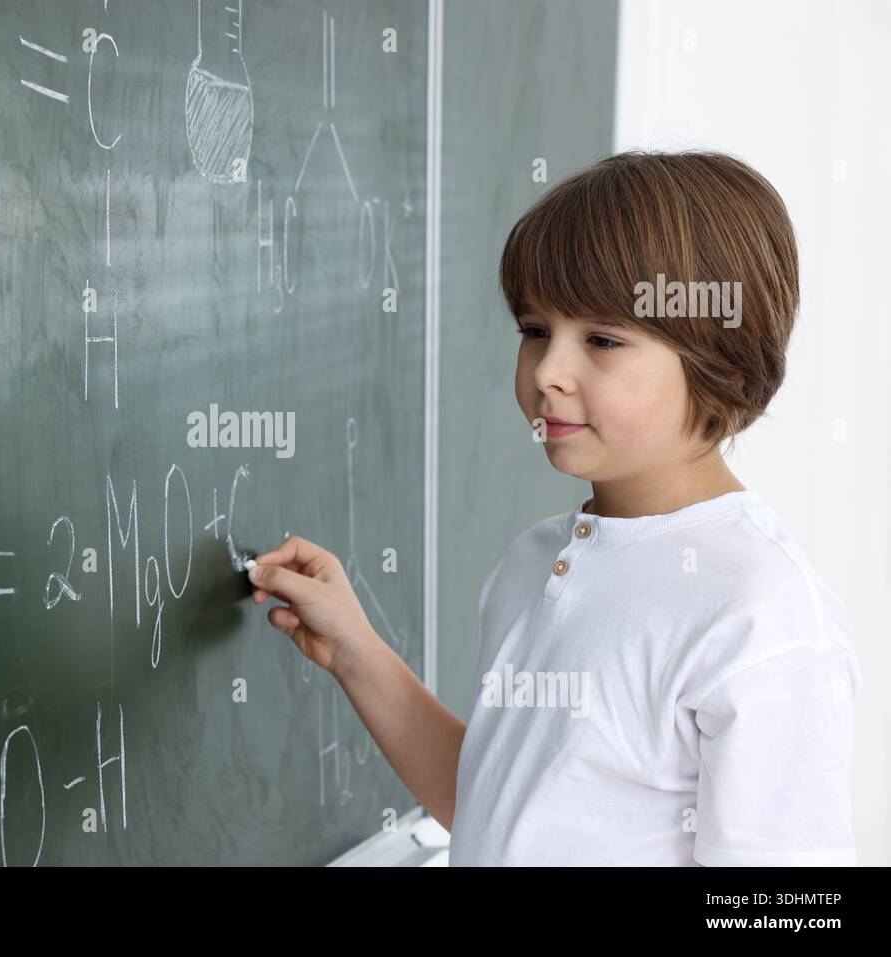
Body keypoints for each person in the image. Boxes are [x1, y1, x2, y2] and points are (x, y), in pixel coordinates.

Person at [247, 150, 862, 866]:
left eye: (601, 339)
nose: (547, 372)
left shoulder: (762, 615)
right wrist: (354, 649)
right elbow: (493, 807)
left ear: (717, 358)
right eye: (535, 329)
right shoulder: (533, 561)